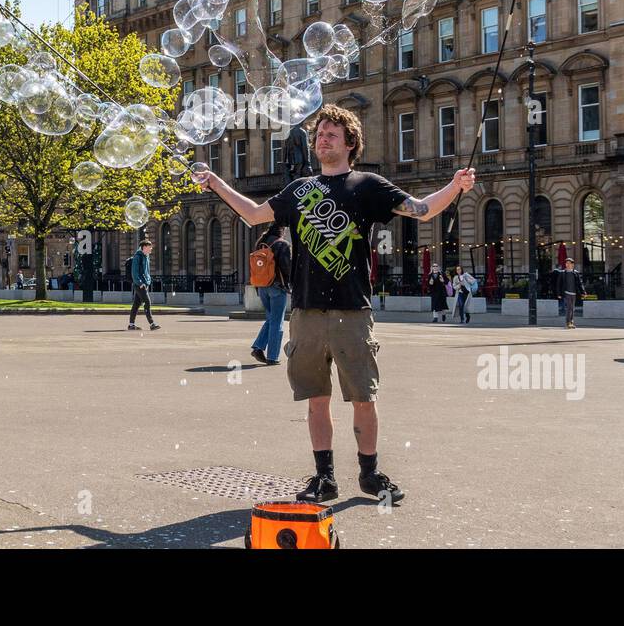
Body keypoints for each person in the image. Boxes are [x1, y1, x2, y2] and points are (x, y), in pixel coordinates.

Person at [197, 103, 476, 504]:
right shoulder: (299, 190)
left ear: (350, 143)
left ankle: (370, 473)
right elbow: (256, 215)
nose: (322, 139)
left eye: (331, 134)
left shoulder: (367, 185)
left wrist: (456, 185)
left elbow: (422, 210)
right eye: (319, 134)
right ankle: (323, 476)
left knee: (364, 396)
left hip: (352, 309)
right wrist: (218, 184)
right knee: (316, 398)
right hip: (306, 310)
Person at [251, 224, 292, 364]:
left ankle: (258, 347)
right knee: (277, 322)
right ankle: (272, 357)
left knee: (271, 319)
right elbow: (287, 268)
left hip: (262, 286)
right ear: (282, 230)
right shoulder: (282, 244)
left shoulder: (260, 244)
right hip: (276, 287)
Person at [127, 239, 159, 331]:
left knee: (136, 304)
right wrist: (140, 283)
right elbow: (134, 272)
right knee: (147, 302)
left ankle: (131, 324)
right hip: (140, 284)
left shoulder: (146, 256)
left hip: (144, 283)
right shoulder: (138, 257)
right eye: (149, 247)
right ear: (144, 247)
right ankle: (152, 323)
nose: (151, 249)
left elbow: (146, 271)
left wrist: (148, 281)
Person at [556, 258, 584, 329]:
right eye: (566, 263)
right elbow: (559, 284)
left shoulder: (576, 273)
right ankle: (568, 322)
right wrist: (559, 293)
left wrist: (583, 292)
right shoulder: (562, 273)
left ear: (572, 264)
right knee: (569, 308)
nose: (567, 265)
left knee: (572, 308)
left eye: (569, 263)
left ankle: (571, 322)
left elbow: (580, 283)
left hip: (574, 293)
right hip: (566, 293)